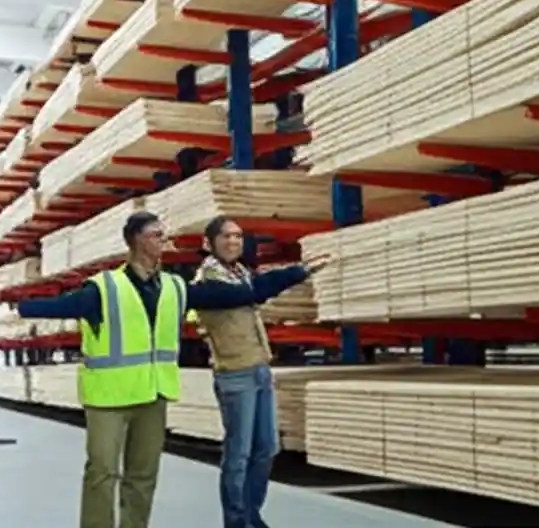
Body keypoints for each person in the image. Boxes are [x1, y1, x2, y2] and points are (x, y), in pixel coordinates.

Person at [17, 211, 321, 528]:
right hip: (108, 398)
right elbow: (62, 306)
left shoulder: (176, 288)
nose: (164, 241)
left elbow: (246, 293)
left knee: (143, 476)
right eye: (156, 235)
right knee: (102, 472)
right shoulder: (104, 288)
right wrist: (22, 307)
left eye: (164, 235)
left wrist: (297, 273)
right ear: (136, 240)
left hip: (152, 395)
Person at [193, 216, 312, 528]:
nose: (233, 242)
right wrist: (298, 272)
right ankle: (235, 521)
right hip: (235, 375)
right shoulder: (207, 283)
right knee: (238, 454)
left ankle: (251, 514)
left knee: (266, 448)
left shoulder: (240, 274)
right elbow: (253, 292)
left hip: (259, 370)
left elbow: (254, 288)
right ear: (210, 243)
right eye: (226, 237)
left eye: (238, 236)